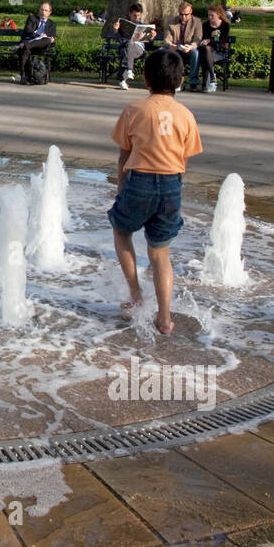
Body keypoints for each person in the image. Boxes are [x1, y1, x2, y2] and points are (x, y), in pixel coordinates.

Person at [107, 48, 203, 336]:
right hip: (171, 183)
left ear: (146, 80)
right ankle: (164, 318)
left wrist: (121, 186)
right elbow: (185, 158)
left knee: (122, 231)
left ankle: (135, 294)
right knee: (160, 252)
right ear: (180, 80)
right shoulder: (186, 115)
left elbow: (124, 154)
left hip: (139, 181)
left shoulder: (134, 110)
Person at [107, 3, 155, 89]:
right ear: (129, 14)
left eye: (138, 15)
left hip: (139, 50)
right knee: (128, 45)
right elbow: (119, 40)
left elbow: (148, 44)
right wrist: (116, 30)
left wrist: (151, 37)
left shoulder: (143, 26)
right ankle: (128, 70)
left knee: (128, 47)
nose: (136, 18)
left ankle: (123, 77)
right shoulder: (123, 25)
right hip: (125, 47)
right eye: (134, 15)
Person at [164, 1, 203, 90]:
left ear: (191, 11)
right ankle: (174, 81)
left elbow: (198, 38)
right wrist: (171, 45)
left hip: (189, 48)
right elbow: (167, 38)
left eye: (186, 14)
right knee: (162, 52)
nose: (183, 17)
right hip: (176, 47)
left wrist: (191, 46)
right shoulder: (171, 21)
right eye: (181, 14)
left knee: (195, 53)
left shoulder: (197, 22)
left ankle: (193, 82)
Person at [13, 1, 56, 82]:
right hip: (30, 44)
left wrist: (48, 38)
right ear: (39, 11)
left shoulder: (52, 24)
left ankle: (25, 45)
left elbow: (52, 37)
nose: (43, 12)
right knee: (25, 50)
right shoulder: (32, 19)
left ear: (50, 12)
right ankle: (24, 77)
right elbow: (28, 31)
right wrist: (38, 36)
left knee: (48, 40)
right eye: (42, 10)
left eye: (46, 10)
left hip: (41, 47)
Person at [197, 3, 232, 89]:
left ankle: (206, 83)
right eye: (208, 15)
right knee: (206, 50)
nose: (210, 17)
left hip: (219, 51)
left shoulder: (224, 25)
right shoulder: (205, 25)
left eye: (212, 15)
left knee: (206, 54)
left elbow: (224, 41)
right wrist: (208, 38)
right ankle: (212, 77)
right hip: (207, 51)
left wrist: (212, 39)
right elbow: (203, 38)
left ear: (218, 15)